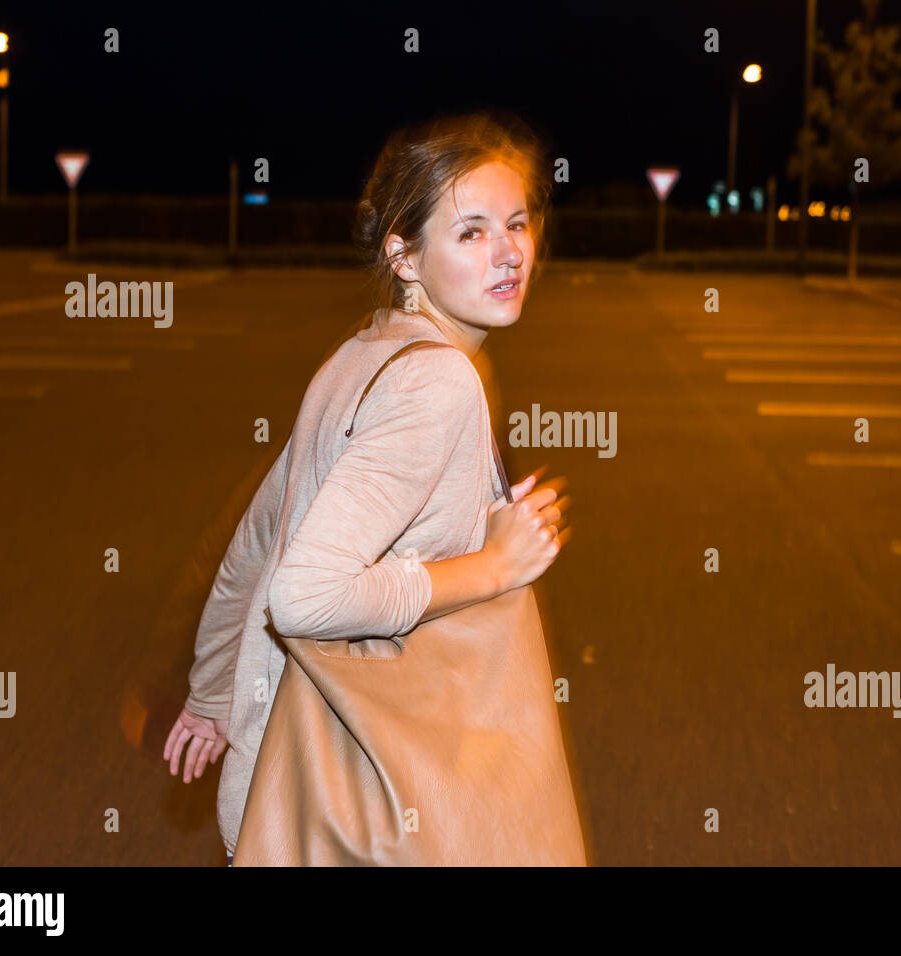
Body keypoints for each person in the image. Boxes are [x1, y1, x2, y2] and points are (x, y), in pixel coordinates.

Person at [162, 111, 587, 865]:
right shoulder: (439, 380)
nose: (509, 252)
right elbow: (304, 593)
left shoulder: (365, 352)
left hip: (285, 782)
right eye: (471, 232)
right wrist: (492, 567)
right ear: (404, 254)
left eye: (517, 224)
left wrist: (212, 693)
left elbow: (257, 540)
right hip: (373, 810)